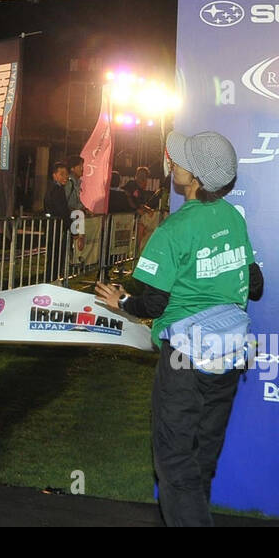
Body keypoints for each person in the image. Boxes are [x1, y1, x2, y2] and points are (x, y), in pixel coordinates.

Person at [95, 130, 263, 527]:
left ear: (196, 177)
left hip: (185, 360)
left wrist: (121, 302)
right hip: (230, 358)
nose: (174, 163)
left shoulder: (171, 231)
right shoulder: (234, 219)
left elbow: (153, 303)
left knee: (173, 464)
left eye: (181, 160)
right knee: (201, 458)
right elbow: (255, 286)